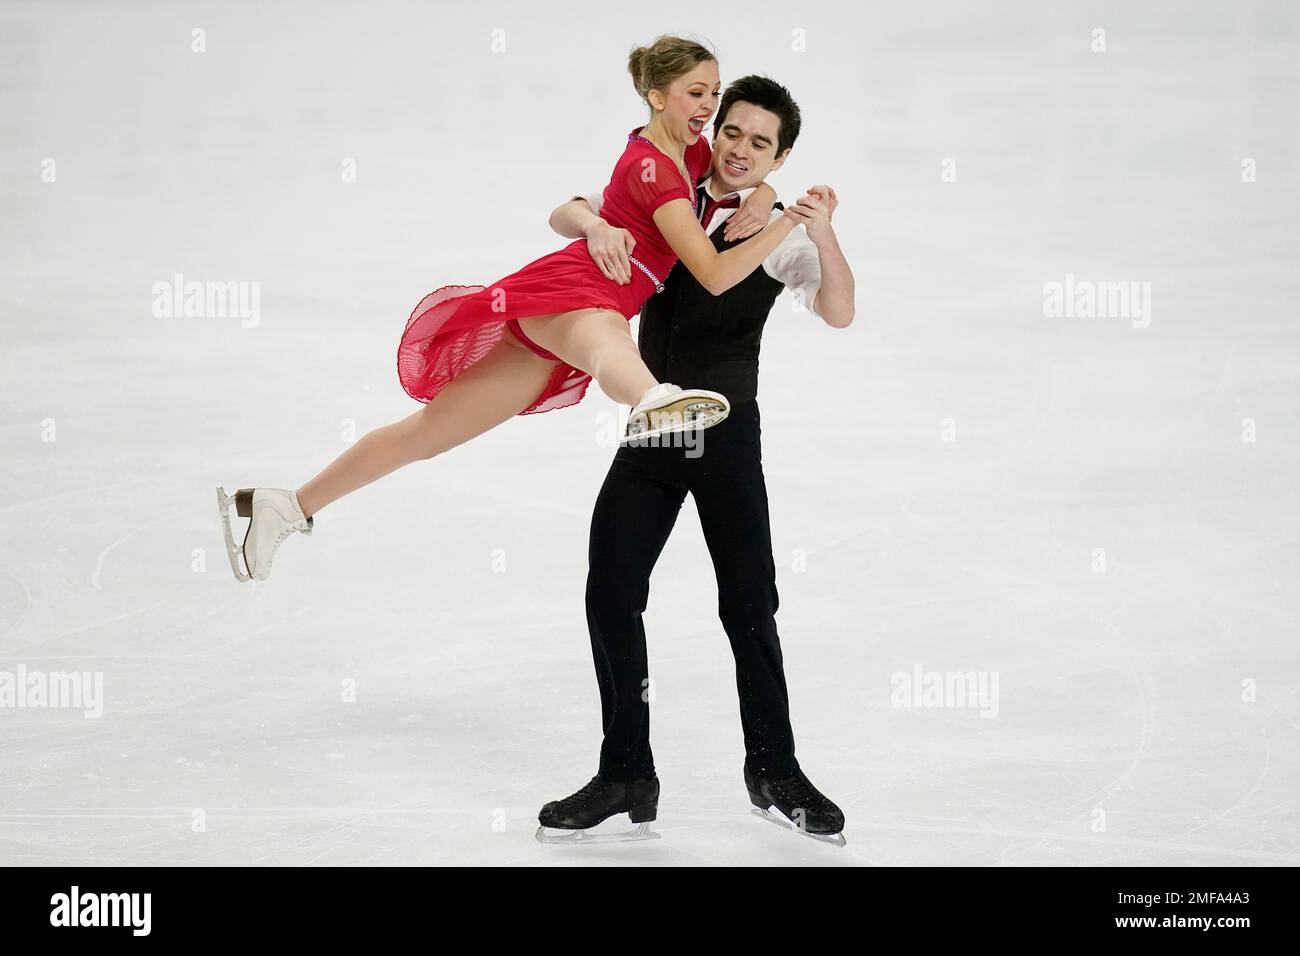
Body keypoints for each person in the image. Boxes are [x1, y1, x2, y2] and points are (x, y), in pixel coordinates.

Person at [215, 35, 815, 583]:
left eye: (713, 92)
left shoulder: (681, 153)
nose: (709, 107)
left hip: (565, 309)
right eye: (696, 93)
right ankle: (653, 399)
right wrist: (785, 219)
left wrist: (761, 196)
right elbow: (710, 273)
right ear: (657, 97)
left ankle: (285, 507)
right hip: (580, 291)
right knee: (608, 341)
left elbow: (583, 206)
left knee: (425, 435)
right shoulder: (659, 168)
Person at [535, 76, 856, 846]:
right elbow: (568, 208)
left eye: (761, 144)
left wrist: (817, 227)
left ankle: (774, 769)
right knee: (610, 589)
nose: (743, 151)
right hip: (655, 428)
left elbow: (840, 311)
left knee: (750, 605)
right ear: (715, 132)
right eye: (734, 133)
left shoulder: (778, 231)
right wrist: (592, 224)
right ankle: (626, 772)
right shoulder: (667, 186)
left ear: (780, 155)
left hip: (726, 437)